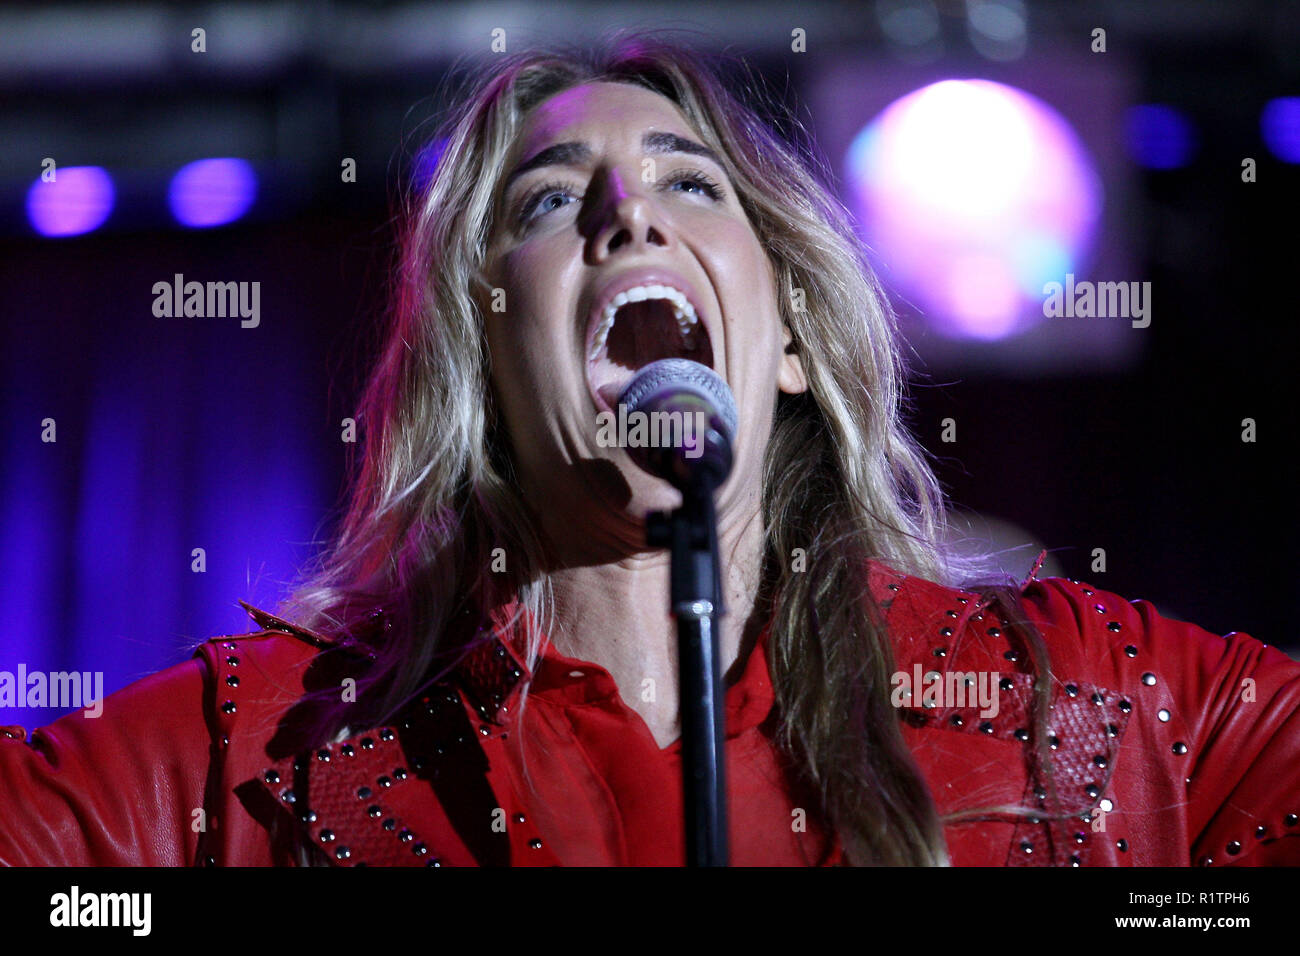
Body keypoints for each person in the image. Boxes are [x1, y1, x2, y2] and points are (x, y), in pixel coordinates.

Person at [1, 35, 1297, 868]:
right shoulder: (268, 748)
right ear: (487, 358)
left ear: (790, 337)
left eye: (691, 182)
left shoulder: (1072, 694)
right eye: (552, 199)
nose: (628, 213)